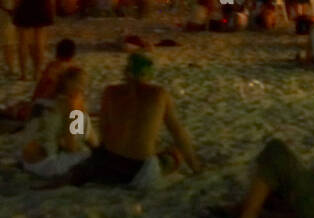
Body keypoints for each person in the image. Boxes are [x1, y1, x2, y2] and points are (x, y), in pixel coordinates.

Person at [47, 53, 201, 188]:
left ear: (126, 72)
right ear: (147, 74)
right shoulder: (159, 94)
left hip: (108, 165)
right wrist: (195, 167)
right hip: (138, 170)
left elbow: (105, 131)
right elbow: (178, 132)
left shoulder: (110, 92)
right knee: (174, 154)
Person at [20, 67, 98, 177]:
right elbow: (71, 147)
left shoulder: (41, 101)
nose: (83, 90)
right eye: (82, 86)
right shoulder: (72, 108)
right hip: (46, 165)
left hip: (26, 161)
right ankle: (98, 149)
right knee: (87, 153)